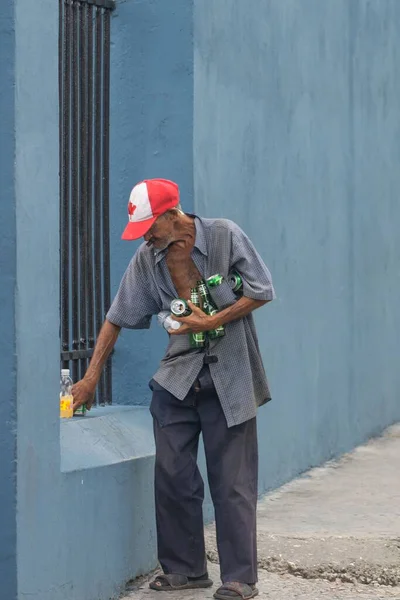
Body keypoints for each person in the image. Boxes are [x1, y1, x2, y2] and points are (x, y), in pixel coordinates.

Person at [72, 178, 275, 600]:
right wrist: (90, 378)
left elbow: (262, 290)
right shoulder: (148, 259)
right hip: (179, 376)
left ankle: (239, 579)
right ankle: (185, 569)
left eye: (151, 225)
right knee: (173, 473)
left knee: (232, 480)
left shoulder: (224, 235)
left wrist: (212, 321)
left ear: (172, 213)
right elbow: (116, 316)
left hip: (230, 375)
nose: (146, 234)